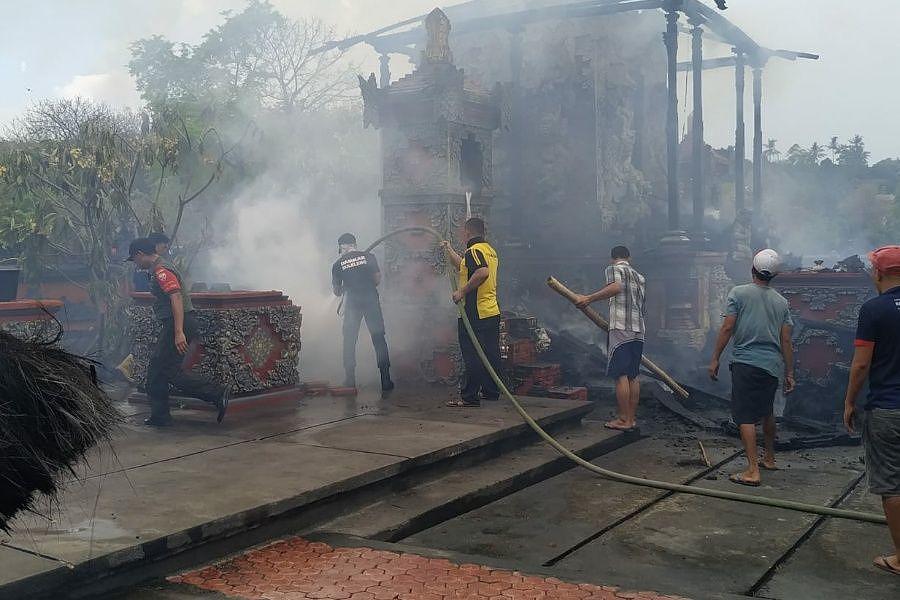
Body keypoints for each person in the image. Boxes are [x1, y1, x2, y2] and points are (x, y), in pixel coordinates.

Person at [709, 249, 795, 487]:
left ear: (752, 269)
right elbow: (786, 340)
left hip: (746, 362)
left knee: (745, 415)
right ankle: (769, 458)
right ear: (774, 275)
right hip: (771, 366)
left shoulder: (738, 293)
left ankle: (752, 470)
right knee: (767, 411)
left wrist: (715, 358)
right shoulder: (781, 302)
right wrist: (789, 372)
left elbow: (727, 328)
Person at [126, 237, 229, 426]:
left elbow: (176, 298)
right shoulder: (159, 268)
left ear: (140, 254)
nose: (136, 264)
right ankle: (161, 416)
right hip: (177, 323)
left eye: (134, 259)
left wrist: (179, 331)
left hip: (180, 322)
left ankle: (216, 393)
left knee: (164, 370)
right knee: (159, 370)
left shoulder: (161, 271)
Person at [843, 245, 900, 577]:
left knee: (892, 484)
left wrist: (849, 401)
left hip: (888, 409)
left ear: (878, 273)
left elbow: (861, 364)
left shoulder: (874, 309)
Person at [574, 246, 646, 431]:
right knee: (633, 375)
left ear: (612, 258)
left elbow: (616, 287)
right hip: (638, 329)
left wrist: (589, 298)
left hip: (621, 327)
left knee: (620, 374)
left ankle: (623, 420)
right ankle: (631, 419)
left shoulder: (613, 268)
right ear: (629, 257)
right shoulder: (640, 277)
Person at [441, 218, 502, 408]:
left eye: (462, 231)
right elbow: (465, 267)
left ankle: (469, 396)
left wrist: (462, 291)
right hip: (491, 311)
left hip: (475, 312)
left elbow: (481, 272)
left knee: (472, 354)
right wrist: (449, 250)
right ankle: (491, 391)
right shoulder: (489, 250)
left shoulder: (474, 250)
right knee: (490, 353)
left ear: (467, 232)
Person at [332, 233, 394, 392]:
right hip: (371, 302)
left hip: (353, 305)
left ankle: (350, 380)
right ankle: (386, 380)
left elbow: (337, 291)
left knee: (349, 340)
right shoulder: (369, 257)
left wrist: (346, 286)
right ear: (354, 244)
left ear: (342, 247)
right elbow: (377, 279)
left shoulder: (338, 264)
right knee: (378, 338)